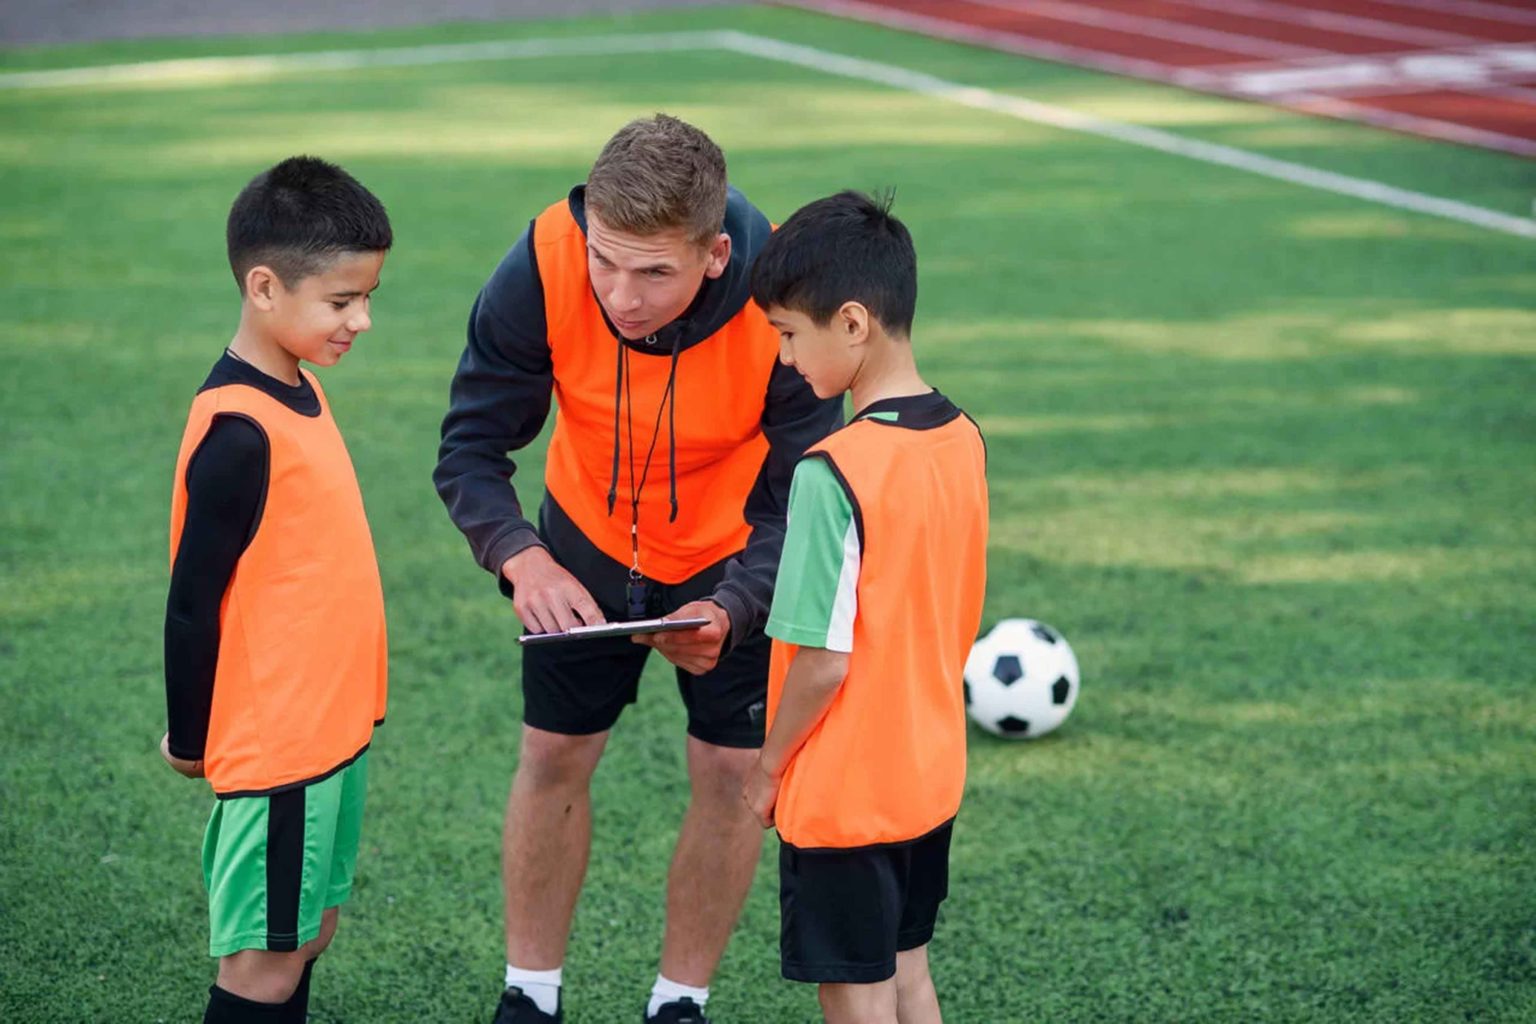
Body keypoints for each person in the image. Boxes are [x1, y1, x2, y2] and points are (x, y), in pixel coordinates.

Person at [433, 115, 840, 1023]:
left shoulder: (784, 293)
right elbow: (469, 447)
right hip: (580, 540)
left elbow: (807, 498)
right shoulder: (541, 260)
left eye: (654, 271)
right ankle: (529, 996)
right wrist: (521, 557)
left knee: (733, 775)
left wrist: (737, 605)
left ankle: (679, 1002)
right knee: (553, 753)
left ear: (715, 254)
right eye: (605, 260)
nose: (622, 295)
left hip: (730, 555)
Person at [742, 191, 989, 1024]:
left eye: (786, 334)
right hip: (927, 773)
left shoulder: (832, 472)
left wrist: (769, 767)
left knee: (853, 993)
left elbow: (822, 659)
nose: (783, 360)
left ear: (852, 323)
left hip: (846, 789)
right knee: (907, 971)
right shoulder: (964, 438)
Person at [161, 155, 391, 1024]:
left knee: (307, 934)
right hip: (281, 748)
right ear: (264, 286)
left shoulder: (300, 386)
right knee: (261, 963)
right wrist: (191, 735)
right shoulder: (236, 431)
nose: (361, 319)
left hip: (330, 732)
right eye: (341, 301)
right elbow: (192, 601)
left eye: (367, 296)